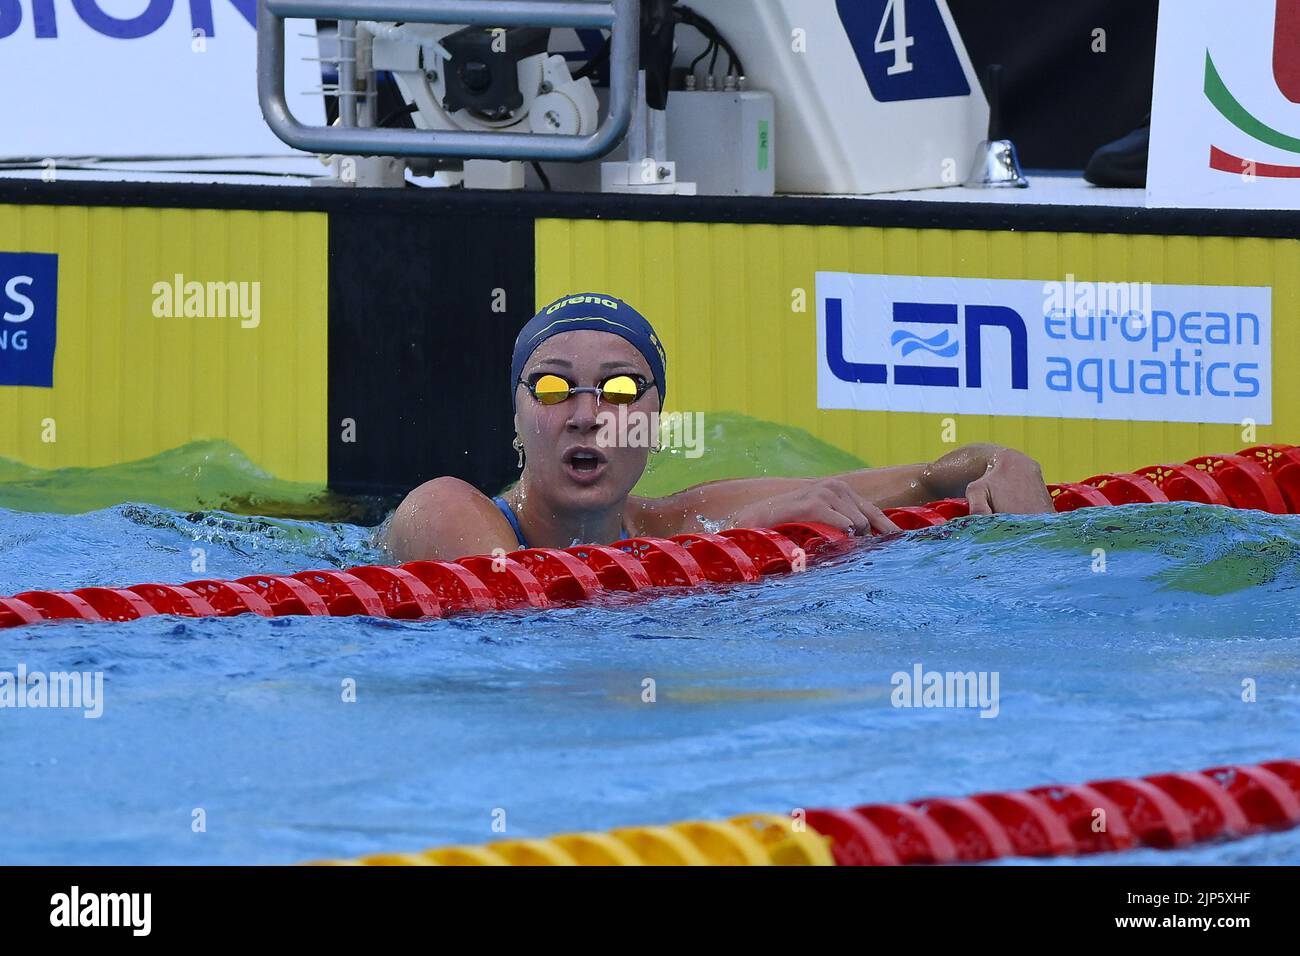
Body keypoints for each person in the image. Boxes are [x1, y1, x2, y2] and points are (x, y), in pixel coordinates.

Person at [383, 293, 1054, 562]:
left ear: (655, 420)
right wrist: (740, 539)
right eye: (554, 388)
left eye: (620, 389)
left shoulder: (679, 520)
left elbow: (928, 478)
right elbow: (529, 618)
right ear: (517, 416)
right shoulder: (443, 509)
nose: (587, 415)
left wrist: (1002, 461)